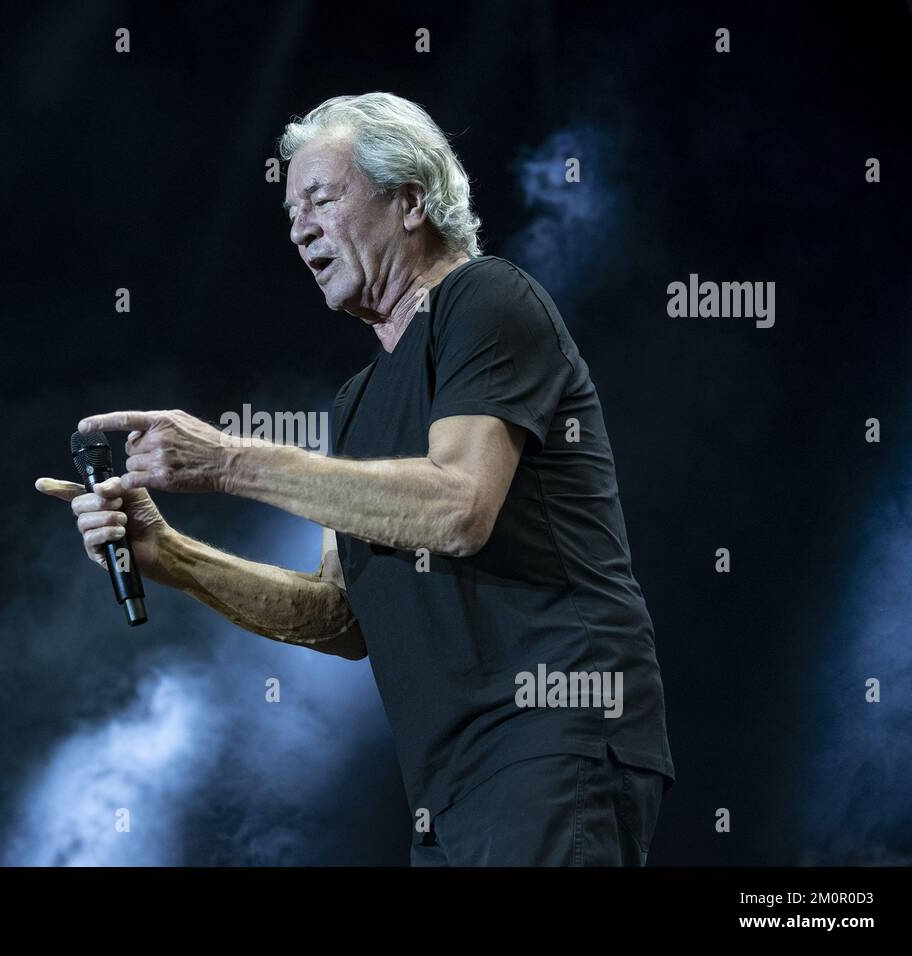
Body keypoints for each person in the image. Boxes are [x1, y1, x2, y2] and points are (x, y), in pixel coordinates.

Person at [36, 92, 674, 866]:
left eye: (321, 197)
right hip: (444, 790)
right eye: (289, 210)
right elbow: (341, 617)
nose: (300, 225)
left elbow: (458, 508)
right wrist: (170, 556)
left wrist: (229, 460)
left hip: (548, 739)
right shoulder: (359, 400)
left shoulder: (486, 299)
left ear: (409, 200)